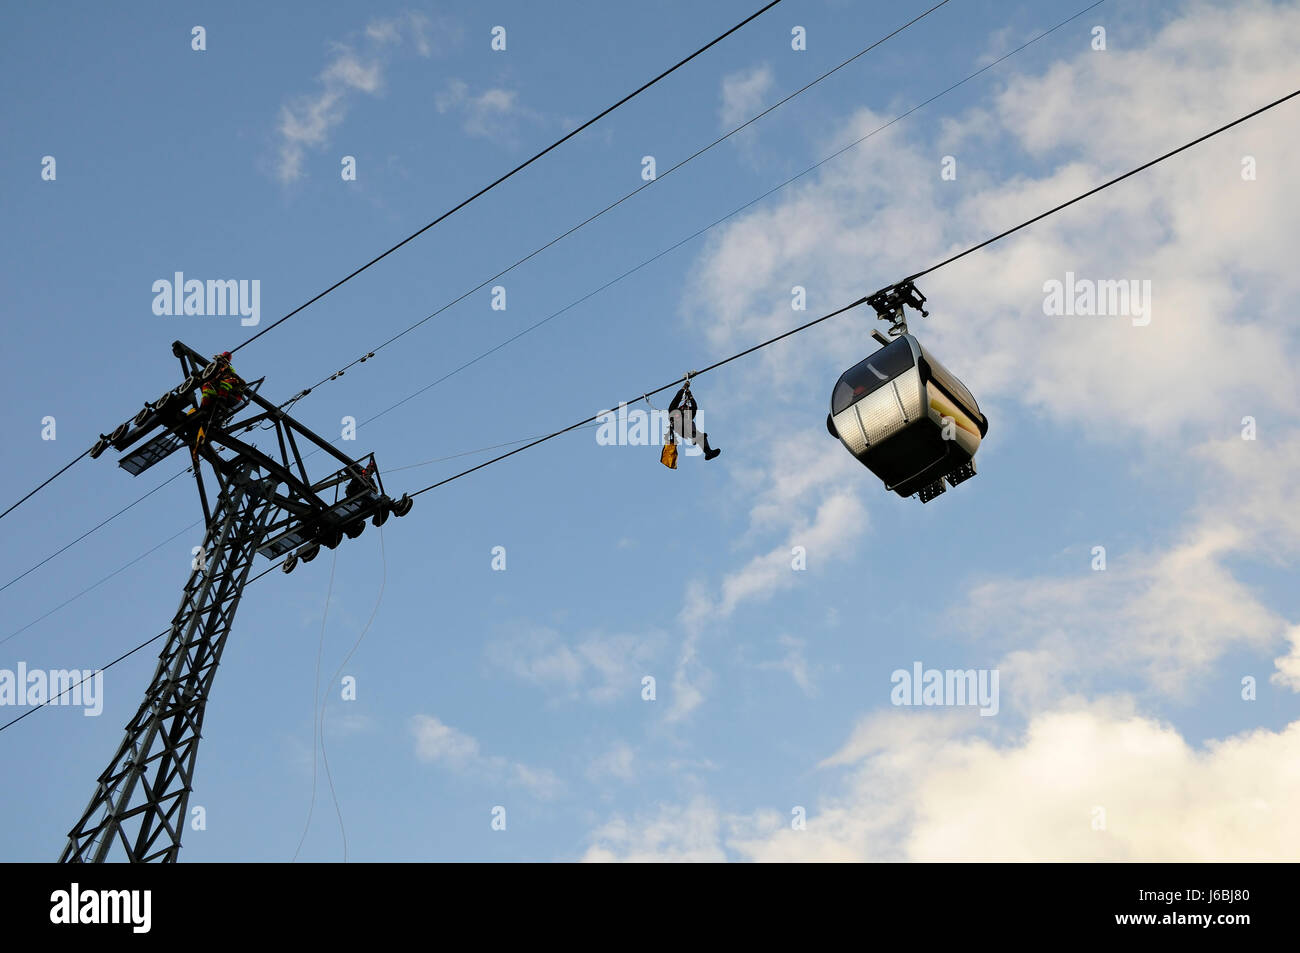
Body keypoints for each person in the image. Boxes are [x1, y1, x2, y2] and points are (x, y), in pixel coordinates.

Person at [668, 381, 721, 461]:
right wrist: (684, 387)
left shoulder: (688, 415)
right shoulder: (673, 410)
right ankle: (695, 436)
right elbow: (677, 398)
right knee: (691, 425)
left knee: (699, 434)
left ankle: (708, 452)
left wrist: (691, 396)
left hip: (687, 431)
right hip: (679, 426)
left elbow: (694, 407)